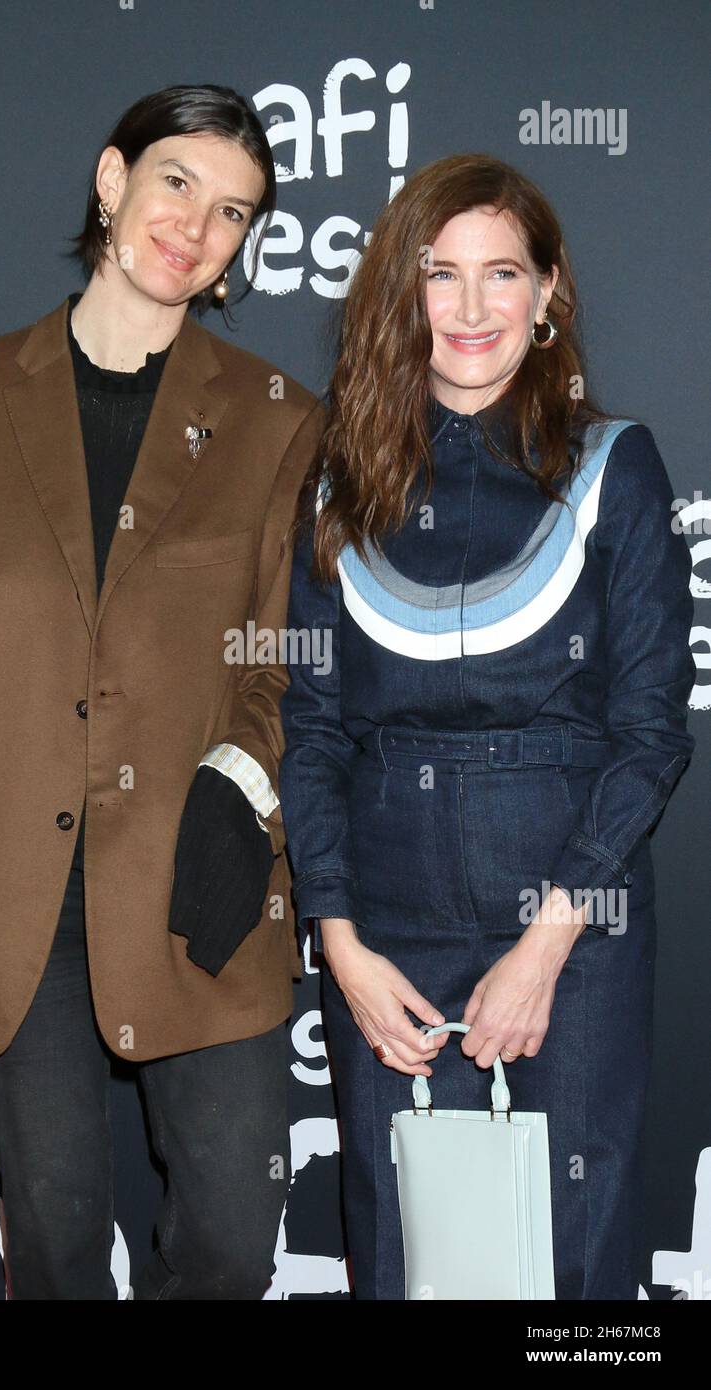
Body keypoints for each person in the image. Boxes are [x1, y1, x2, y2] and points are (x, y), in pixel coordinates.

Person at [0, 84, 326, 1299]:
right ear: (110, 182)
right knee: (57, 1255)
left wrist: (244, 783)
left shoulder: (277, 423)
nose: (196, 225)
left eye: (233, 213)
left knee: (229, 1242)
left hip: (198, 888)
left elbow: (285, 654)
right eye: (176, 182)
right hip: (10, 901)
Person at [278, 152, 696, 1301]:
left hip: (567, 923)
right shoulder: (336, 483)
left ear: (546, 290)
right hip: (386, 931)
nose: (468, 309)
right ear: (399, 296)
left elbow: (650, 729)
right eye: (438, 274)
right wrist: (340, 944)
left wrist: (545, 945)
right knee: (407, 1250)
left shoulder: (615, 466)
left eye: (499, 273)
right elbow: (310, 727)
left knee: (570, 1258)